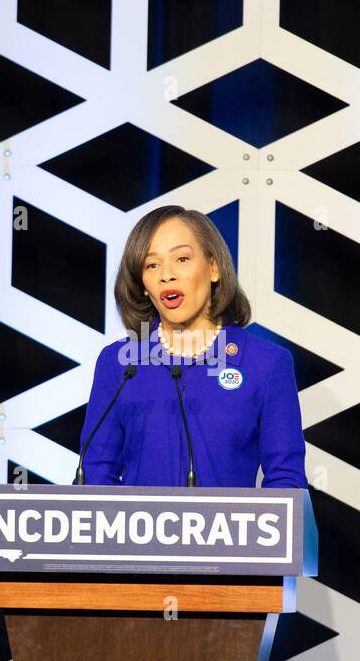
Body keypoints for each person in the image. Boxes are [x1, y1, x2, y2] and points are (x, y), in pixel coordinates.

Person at [78, 206, 306, 489]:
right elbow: (93, 475)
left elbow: (286, 480)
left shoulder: (267, 364)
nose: (167, 275)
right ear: (144, 286)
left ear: (213, 268)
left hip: (231, 532)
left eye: (182, 258)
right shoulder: (120, 364)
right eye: (152, 265)